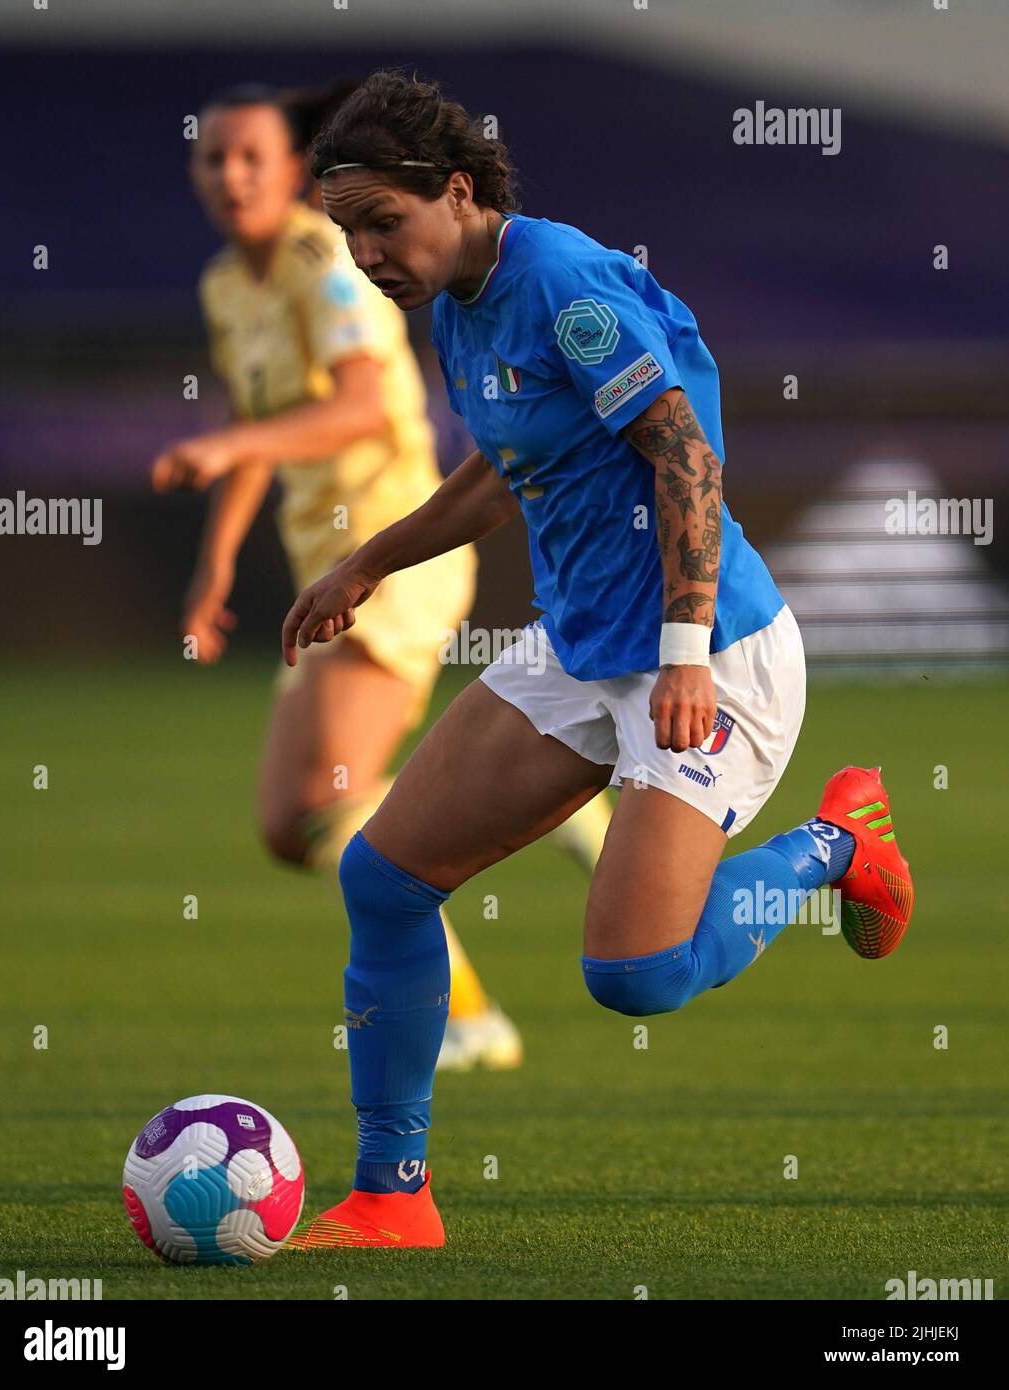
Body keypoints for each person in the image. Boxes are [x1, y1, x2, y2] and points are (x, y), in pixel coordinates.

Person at [280, 70, 915, 1249]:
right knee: (384, 877)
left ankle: (839, 846)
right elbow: (504, 462)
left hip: (710, 652)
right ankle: (391, 1197)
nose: (367, 253)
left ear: (455, 190)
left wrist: (680, 654)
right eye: (346, 231)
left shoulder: (564, 283)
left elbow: (683, 456)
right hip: (581, 647)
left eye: (383, 222)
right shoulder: (461, 300)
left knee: (639, 976)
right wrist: (370, 560)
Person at [151, 83, 610, 1070]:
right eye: (211, 156)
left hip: (396, 551)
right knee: (292, 822)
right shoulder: (231, 287)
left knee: (331, 792)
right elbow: (261, 426)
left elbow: (360, 407)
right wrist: (218, 559)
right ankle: (557, 800)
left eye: (252, 157)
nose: (230, 175)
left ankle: (470, 1016)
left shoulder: (333, 264)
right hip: (329, 565)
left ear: (292, 173)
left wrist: (233, 443)